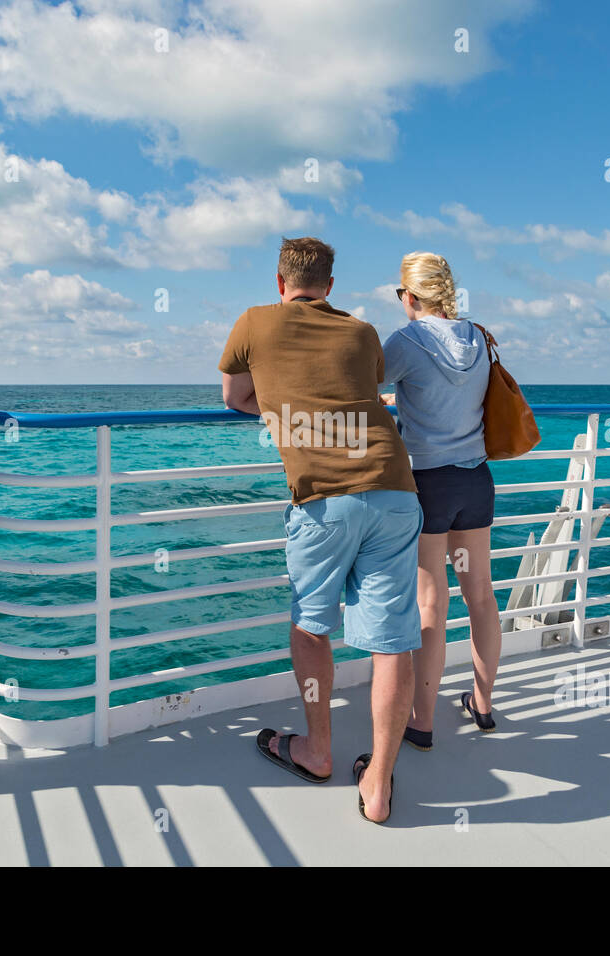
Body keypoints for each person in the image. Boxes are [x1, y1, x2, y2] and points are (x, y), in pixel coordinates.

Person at [219, 237, 423, 824]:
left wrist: (282, 404)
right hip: (394, 486)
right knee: (391, 642)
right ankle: (378, 786)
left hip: (324, 499)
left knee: (311, 628)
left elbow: (235, 397)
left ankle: (317, 750)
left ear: (279, 282)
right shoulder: (361, 332)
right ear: (330, 286)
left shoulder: (254, 322)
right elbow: (363, 389)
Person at [379, 251, 499, 748]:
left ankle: (422, 722)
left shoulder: (407, 341)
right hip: (476, 480)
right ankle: (483, 705)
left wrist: (394, 401)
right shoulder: (478, 337)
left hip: (430, 482)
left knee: (431, 603)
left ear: (409, 295)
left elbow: (361, 387)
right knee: (481, 596)